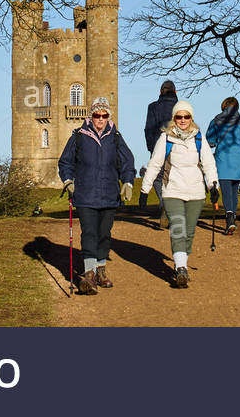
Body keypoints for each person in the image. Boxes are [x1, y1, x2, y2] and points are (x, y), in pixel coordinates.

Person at [58, 96, 135, 295]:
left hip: (109, 194)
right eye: (96, 115)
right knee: (89, 232)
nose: (100, 118)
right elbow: (65, 162)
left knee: (104, 234)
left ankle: (101, 269)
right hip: (85, 194)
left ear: (108, 116)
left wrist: (127, 182)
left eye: (104, 115)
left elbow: (127, 161)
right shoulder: (78, 135)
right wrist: (68, 181)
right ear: (90, 116)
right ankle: (89, 274)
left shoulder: (115, 136)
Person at [139, 99, 218, 287]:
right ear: (174, 118)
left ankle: (182, 262)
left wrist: (213, 185)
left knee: (189, 232)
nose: (183, 120)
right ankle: (181, 268)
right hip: (172, 189)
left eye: (186, 116)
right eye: (179, 116)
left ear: (191, 118)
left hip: (196, 192)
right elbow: (155, 164)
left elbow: (208, 163)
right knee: (178, 228)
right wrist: (144, 189)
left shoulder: (199, 138)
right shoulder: (166, 137)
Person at [205, 96, 240, 234]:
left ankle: (230, 218)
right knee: (234, 191)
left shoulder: (216, 121)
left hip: (223, 158)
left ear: (224, 106)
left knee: (226, 189)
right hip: (239, 158)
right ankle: (233, 217)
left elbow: (210, 141)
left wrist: (215, 143)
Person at [141, 79, 179, 216]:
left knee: (157, 177)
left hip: (158, 146)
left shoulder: (153, 107)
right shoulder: (181, 106)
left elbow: (148, 129)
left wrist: (151, 147)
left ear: (160, 92)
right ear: (175, 92)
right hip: (178, 148)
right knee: (176, 177)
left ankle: (164, 203)